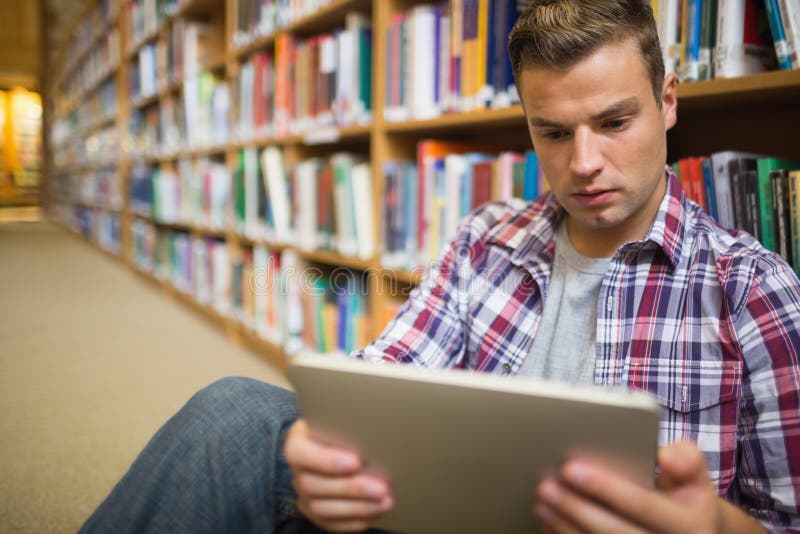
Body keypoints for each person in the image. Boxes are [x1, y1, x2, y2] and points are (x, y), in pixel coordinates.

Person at [81, 0, 800, 532]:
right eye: (552, 132)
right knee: (237, 413)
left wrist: (714, 528)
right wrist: (325, 447)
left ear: (668, 103)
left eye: (614, 123)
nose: (583, 163)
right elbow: (384, 376)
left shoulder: (754, 291)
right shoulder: (483, 240)